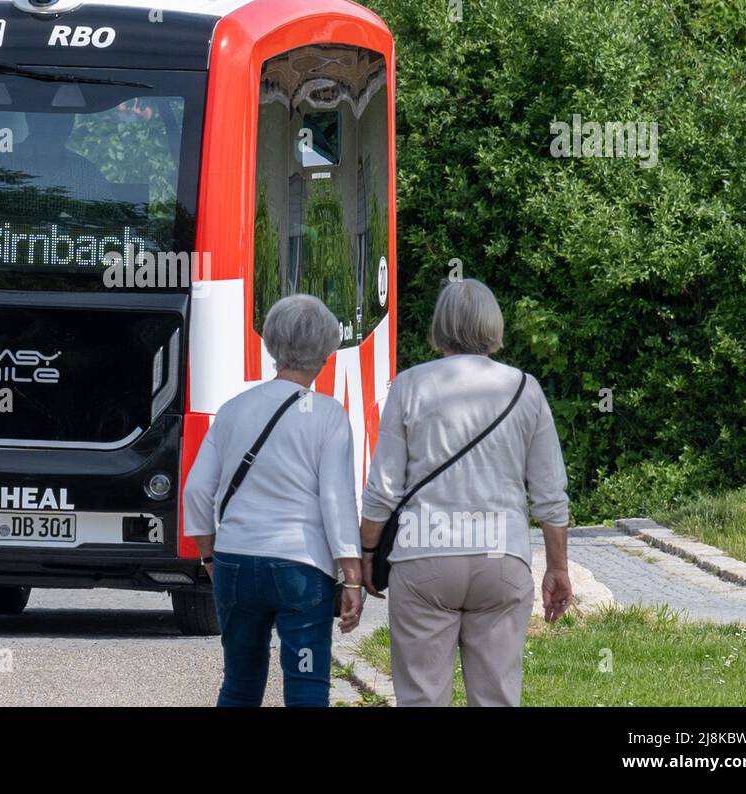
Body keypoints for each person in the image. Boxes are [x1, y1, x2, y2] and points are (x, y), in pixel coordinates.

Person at [360, 278, 572, 707]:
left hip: (423, 557)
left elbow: (383, 489)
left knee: (421, 697)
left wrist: (366, 553)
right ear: (493, 325)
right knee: (497, 697)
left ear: (441, 325)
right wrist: (557, 568)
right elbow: (550, 495)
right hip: (502, 557)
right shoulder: (523, 389)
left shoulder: (409, 385)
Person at [183, 294, 363, 707]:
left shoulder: (232, 409)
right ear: (326, 351)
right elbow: (337, 503)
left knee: (239, 684)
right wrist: (351, 577)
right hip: (301, 572)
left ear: (271, 345)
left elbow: (196, 490)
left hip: (235, 562)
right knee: (306, 685)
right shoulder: (328, 415)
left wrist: (210, 558)